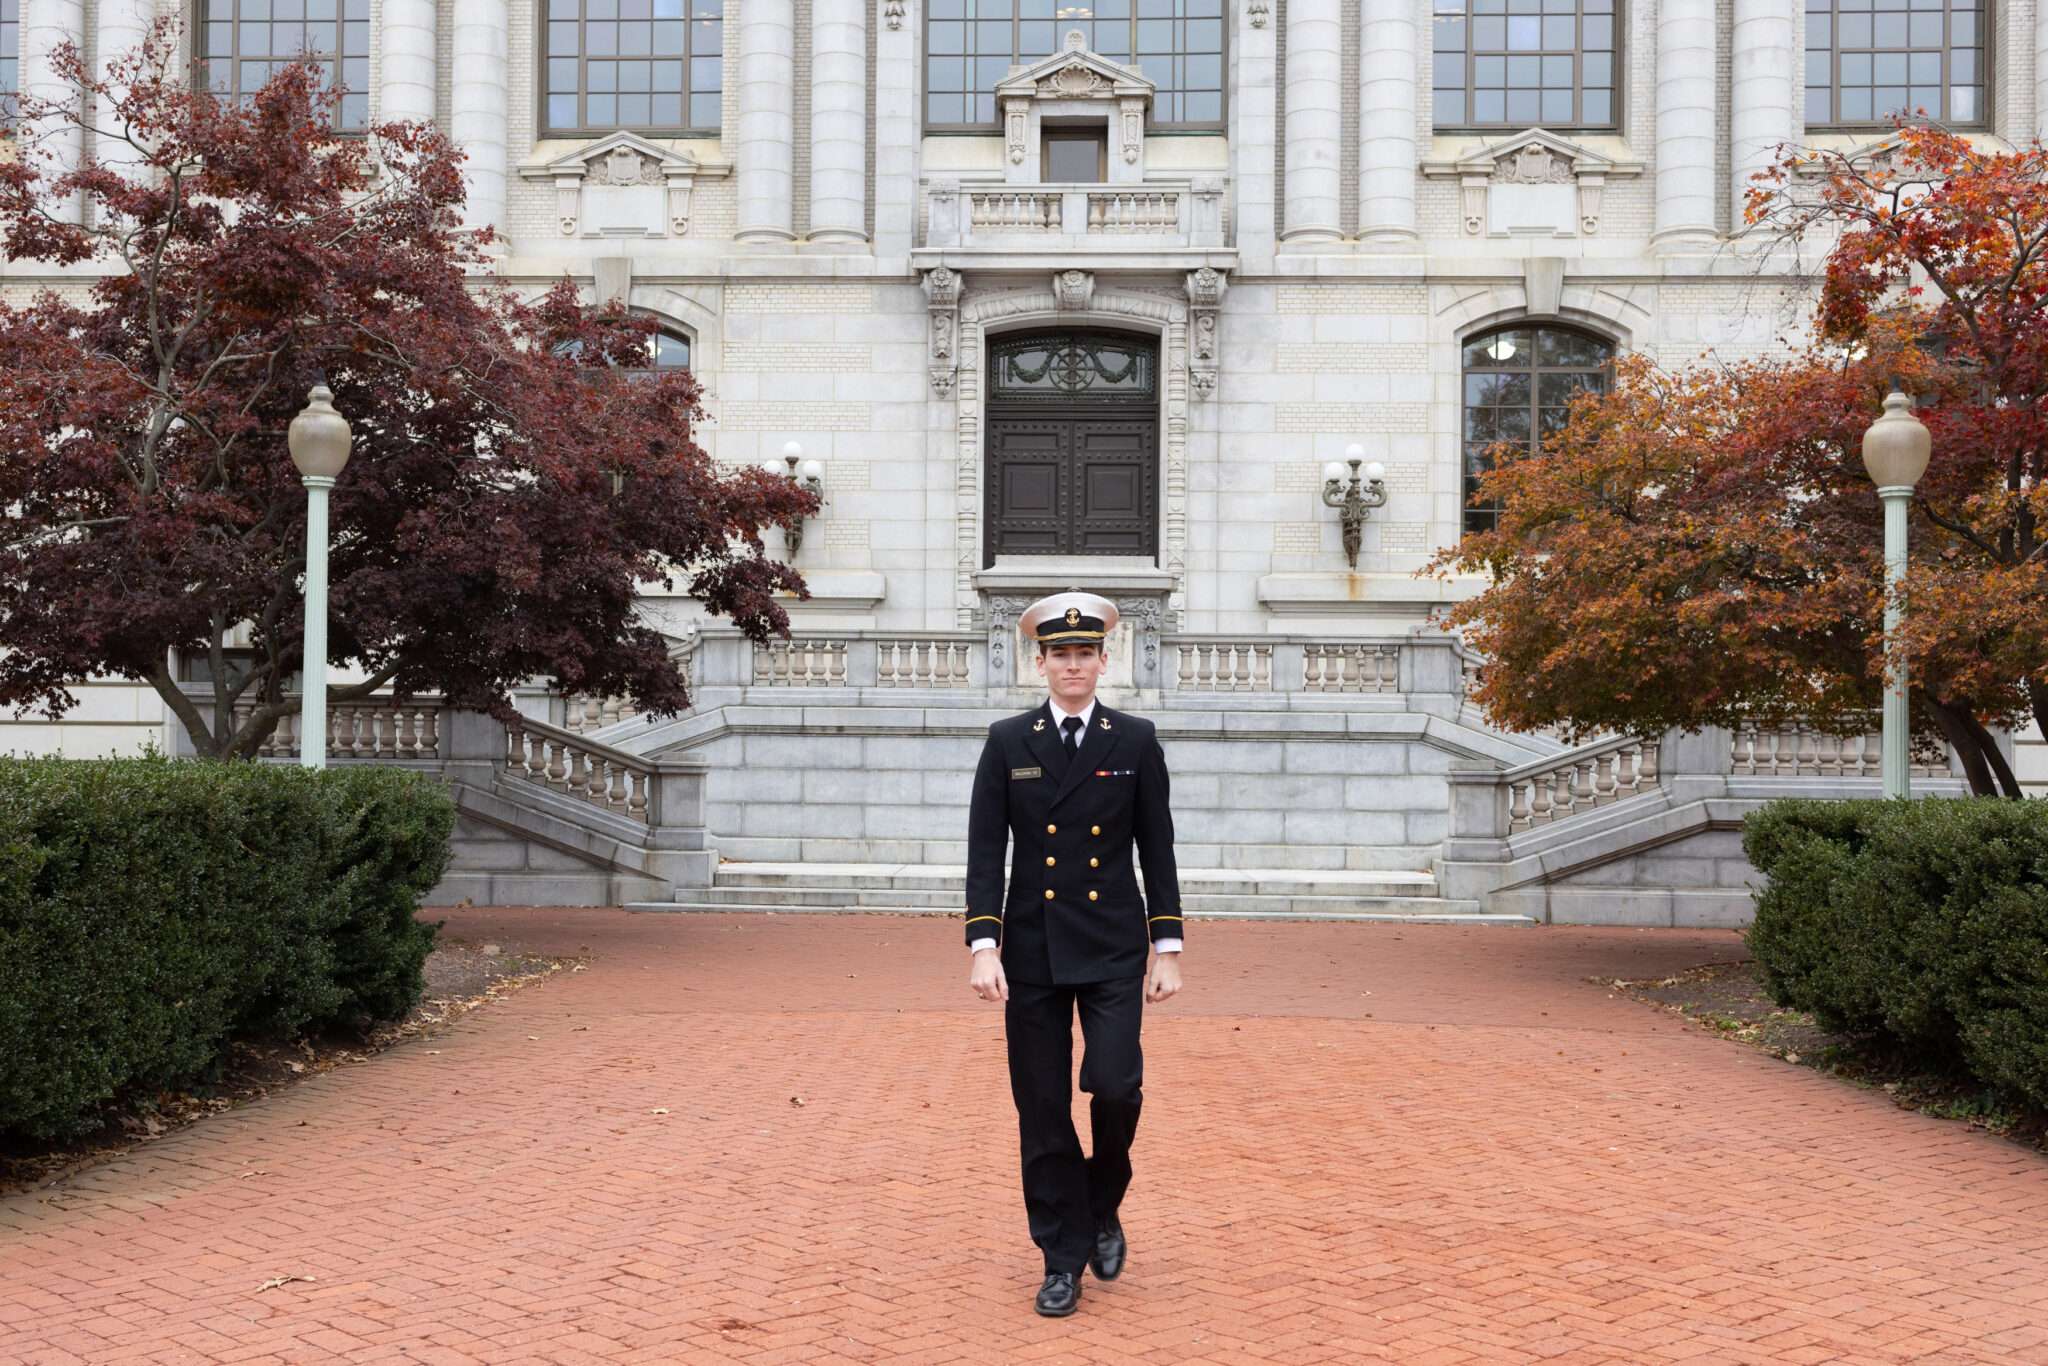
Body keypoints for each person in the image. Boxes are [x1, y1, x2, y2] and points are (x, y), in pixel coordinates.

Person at [964, 591, 1184, 1318]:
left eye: (1084, 653)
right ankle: (1062, 1256)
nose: (1073, 665)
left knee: (1115, 1086)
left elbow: (1157, 848)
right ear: (1041, 662)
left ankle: (1100, 1204)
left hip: (1115, 945)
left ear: (1102, 660)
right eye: (1060, 654)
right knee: (1044, 1106)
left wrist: (1168, 947)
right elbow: (985, 850)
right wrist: (983, 945)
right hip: (1030, 947)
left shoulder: (1134, 739)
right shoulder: (1007, 741)